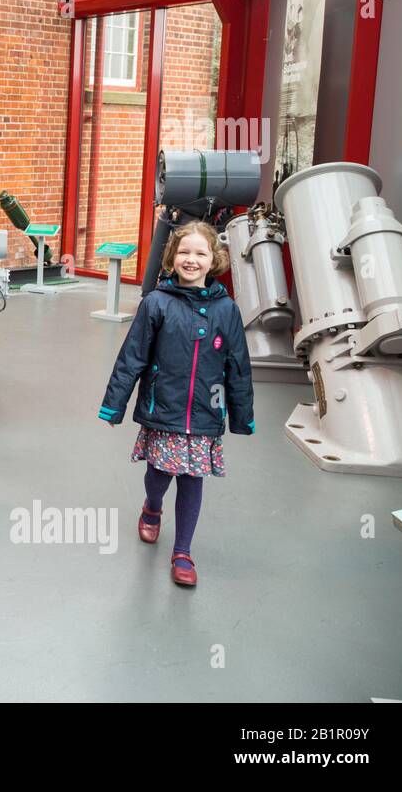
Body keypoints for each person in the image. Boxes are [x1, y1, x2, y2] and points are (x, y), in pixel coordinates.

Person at [98, 221, 255, 587]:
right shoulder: (156, 303)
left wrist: (242, 415)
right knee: (159, 472)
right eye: (184, 252)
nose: (191, 260)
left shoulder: (226, 309)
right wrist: (114, 405)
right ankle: (152, 507)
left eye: (200, 253)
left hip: (205, 412)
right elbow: (132, 357)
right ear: (172, 257)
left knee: (192, 478)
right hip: (163, 408)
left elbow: (238, 365)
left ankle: (182, 551)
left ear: (213, 259)